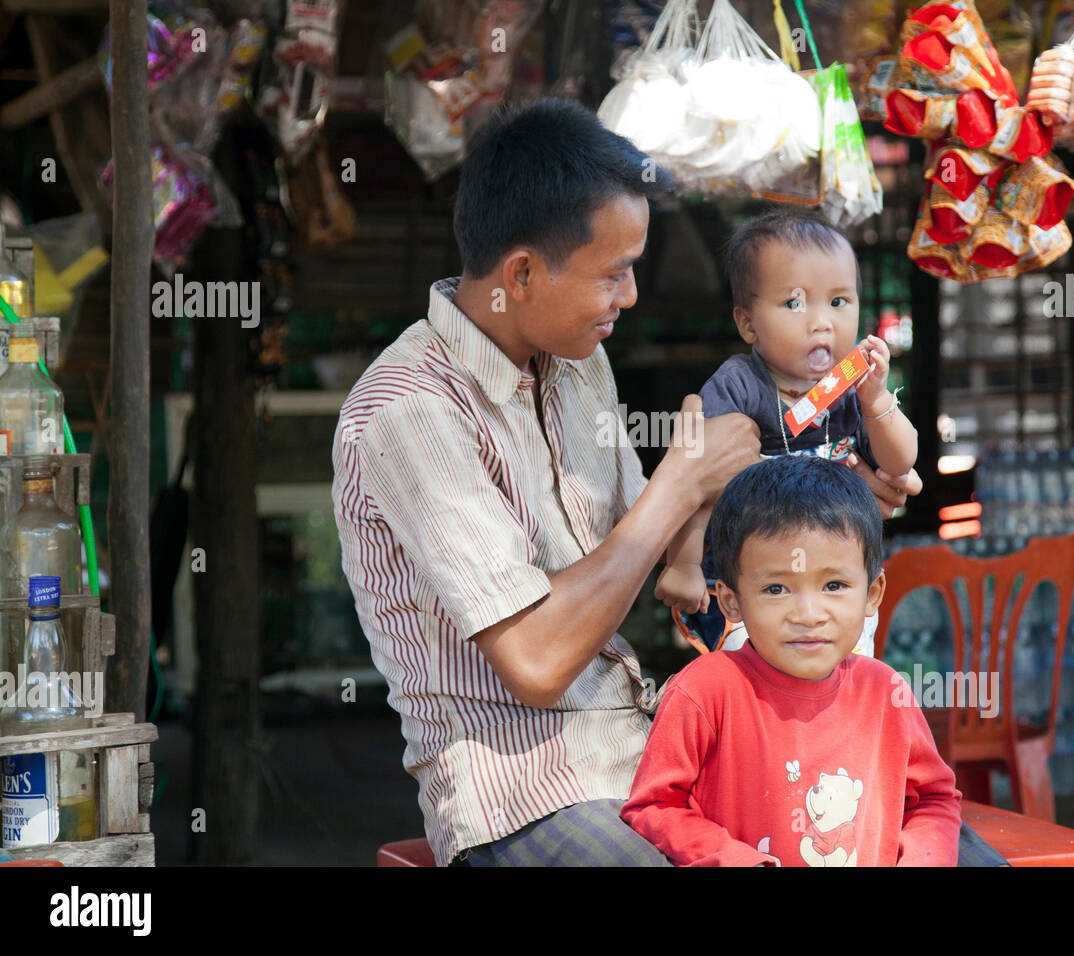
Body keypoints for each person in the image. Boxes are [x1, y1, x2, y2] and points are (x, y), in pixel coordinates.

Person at [331, 98, 924, 867]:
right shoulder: (409, 412)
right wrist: (680, 482)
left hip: (649, 751)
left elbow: (658, 557)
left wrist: (807, 492)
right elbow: (540, 663)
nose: (632, 295)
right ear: (522, 273)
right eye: (614, 273)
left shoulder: (578, 365)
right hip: (522, 792)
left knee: (926, 845)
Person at [622, 455, 961, 866]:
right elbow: (654, 806)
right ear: (731, 602)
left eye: (834, 585)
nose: (808, 614)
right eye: (777, 589)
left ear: (872, 593)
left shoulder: (886, 693)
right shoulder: (705, 691)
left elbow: (933, 800)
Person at [657, 210, 919, 654]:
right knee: (755, 682)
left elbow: (900, 464)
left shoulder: (854, 386)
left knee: (842, 680)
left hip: (836, 578)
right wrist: (683, 565)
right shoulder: (739, 386)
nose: (822, 322)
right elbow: (700, 482)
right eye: (795, 304)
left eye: (839, 302)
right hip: (755, 585)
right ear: (747, 323)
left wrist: (877, 402)